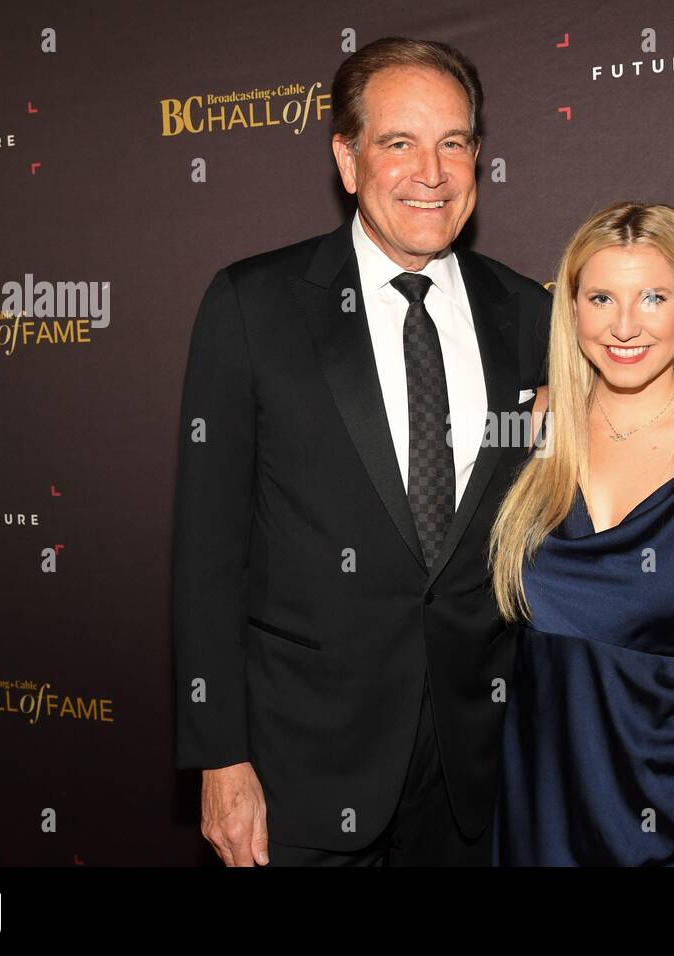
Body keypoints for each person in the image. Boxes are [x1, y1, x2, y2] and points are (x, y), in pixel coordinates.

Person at [170, 36, 557, 865]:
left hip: (469, 772)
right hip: (298, 766)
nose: (432, 171)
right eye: (399, 143)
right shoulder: (253, 305)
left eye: (454, 142)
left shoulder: (529, 313)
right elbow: (207, 555)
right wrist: (220, 759)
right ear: (347, 160)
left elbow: (589, 495)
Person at [488, 201, 674, 866]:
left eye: (652, 297)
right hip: (539, 800)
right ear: (571, 309)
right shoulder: (526, 427)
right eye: (601, 297)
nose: (624, 325)